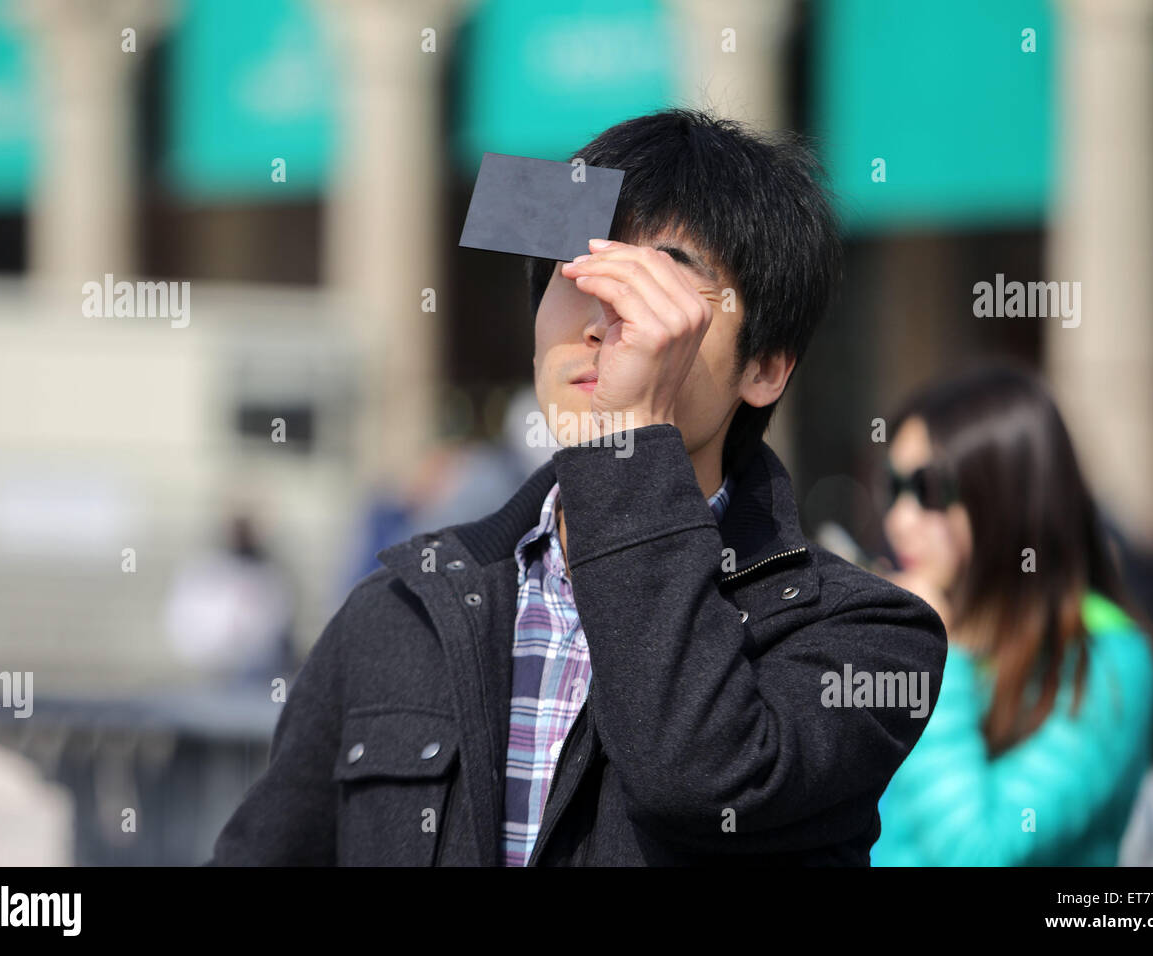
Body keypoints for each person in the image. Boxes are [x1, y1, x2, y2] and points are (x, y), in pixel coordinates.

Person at [208, 109, 947, 866]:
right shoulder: (403, 611)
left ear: (766, 368)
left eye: (654, 282)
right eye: (579, 272)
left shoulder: (866, 636)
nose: (606, 323)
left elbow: (696, 779)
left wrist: (628, 441)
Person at [870, 362, 1153, 866]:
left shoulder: (1107, 659)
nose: (899, 520)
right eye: (894, 488)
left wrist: (937, 657)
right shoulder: (933, 617)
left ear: (1006, 495)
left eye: (928, 490)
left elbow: (976, 852)